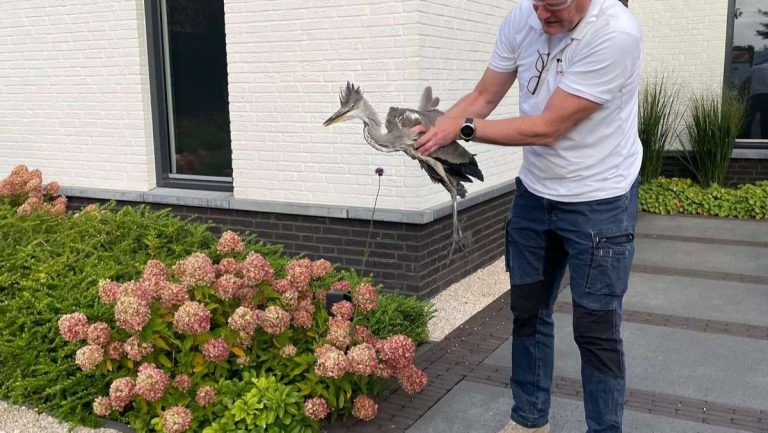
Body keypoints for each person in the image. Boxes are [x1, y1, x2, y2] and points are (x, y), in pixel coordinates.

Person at [413, 0, 642, 432]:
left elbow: (546, 128)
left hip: (599, 201)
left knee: (596, 331)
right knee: (528, 311)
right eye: (537, 4)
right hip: (536, 196)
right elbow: (483, 96)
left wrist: (462, 128)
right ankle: (530, 422)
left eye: (553, 7)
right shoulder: (523, 17)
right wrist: (436, 129)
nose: (542, 17)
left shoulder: (616, 34)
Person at [742, 59, 768, 139]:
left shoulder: (754, 68)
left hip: (754, 95)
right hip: (766, 95)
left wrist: (740, 90)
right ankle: (765, 138)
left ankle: (744, 137)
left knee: (748, 119)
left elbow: (746, 81)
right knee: (765, 120)